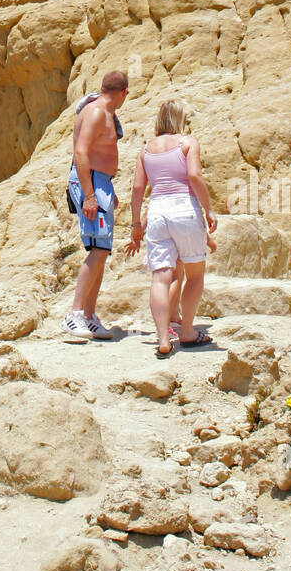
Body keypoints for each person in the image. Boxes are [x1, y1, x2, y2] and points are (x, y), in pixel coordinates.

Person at [126, 99, 217, 358]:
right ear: (180, 119)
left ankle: (163, 338)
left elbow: (136, 189)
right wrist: (208, 208)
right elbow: (195, 177)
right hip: (184, 209)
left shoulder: (145, 150)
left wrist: (135, 223)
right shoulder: (188, 143)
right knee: (195, 273)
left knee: (160, 277)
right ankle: (187, 331)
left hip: (157, 213)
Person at [63, 70, 129, 341]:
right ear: (124, 91)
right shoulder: (96, 112)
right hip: (89, 180)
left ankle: (89, 316)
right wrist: (90, 195)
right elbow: (81, 152)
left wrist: (105, 190)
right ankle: (74, 313)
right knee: (97, 250)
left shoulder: (105, 112)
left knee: (101, 249)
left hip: (100, 182)